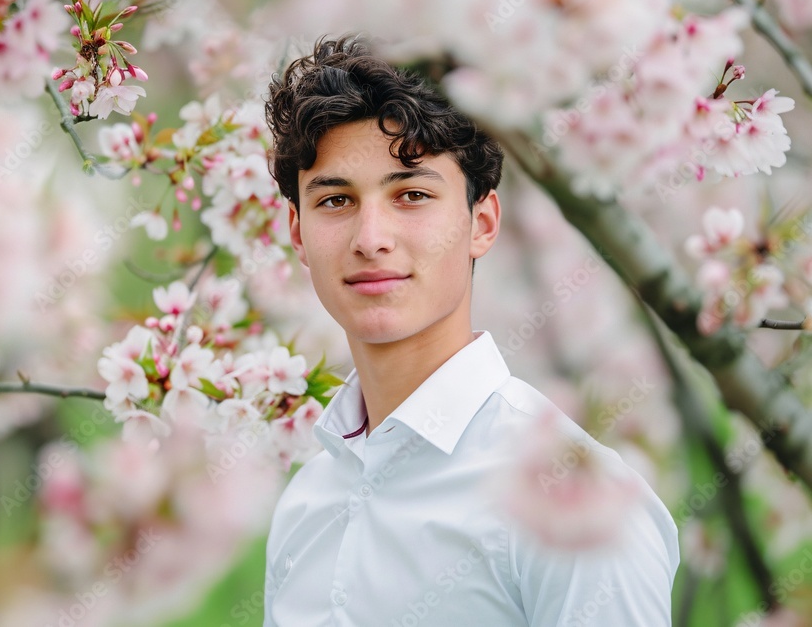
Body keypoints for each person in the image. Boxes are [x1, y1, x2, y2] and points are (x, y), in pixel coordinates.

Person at [261, 36, 679, 626]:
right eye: (336, 201)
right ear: (298, 234)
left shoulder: (576, 499)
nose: (370, 238)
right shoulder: (306, 504)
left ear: (481, 223)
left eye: (411, 194)